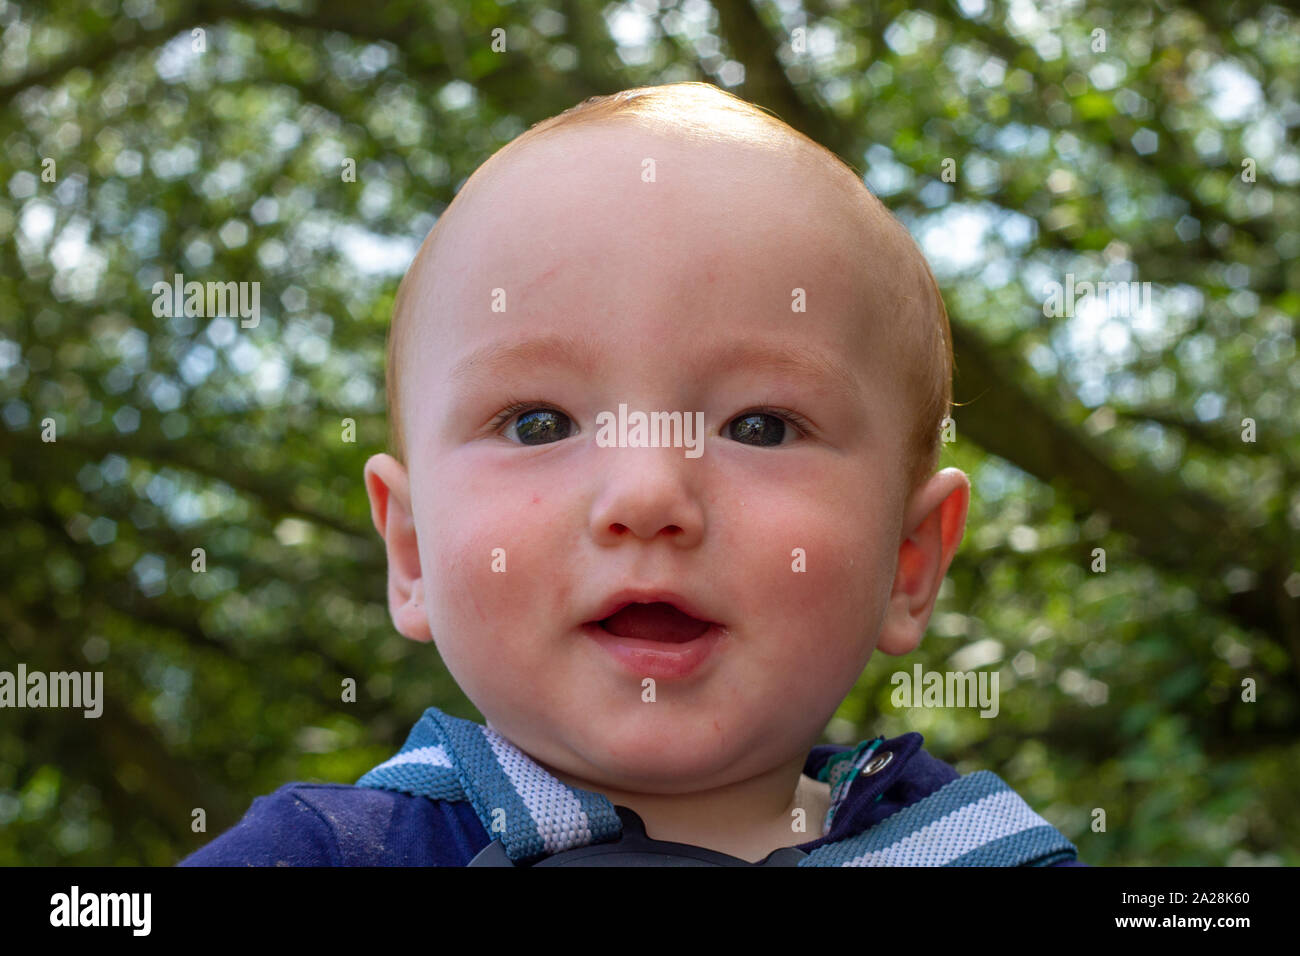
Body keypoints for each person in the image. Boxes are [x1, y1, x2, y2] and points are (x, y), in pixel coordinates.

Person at [179, 82, 1082, 867]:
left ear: (909, 560)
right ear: (411, 551)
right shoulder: (326, 856)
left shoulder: (984, 853)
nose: (649, 495)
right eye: (540, 424)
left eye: (759, 426)